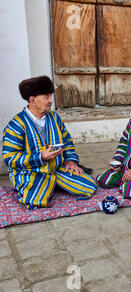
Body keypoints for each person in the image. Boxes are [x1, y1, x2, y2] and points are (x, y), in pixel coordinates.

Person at [2, 75, 97, 210]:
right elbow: (10, 158)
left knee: (89, 186)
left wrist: (71, 161)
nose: (51, 101)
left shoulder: (54, 117)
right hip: (31, 172)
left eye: (50, 96)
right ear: (32, 100)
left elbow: (67, 141)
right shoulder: (16, 125)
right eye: (46, 97)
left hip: (56, 168)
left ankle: (54, 182)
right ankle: (47, 184)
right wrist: (40, 157)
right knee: (35, 200)